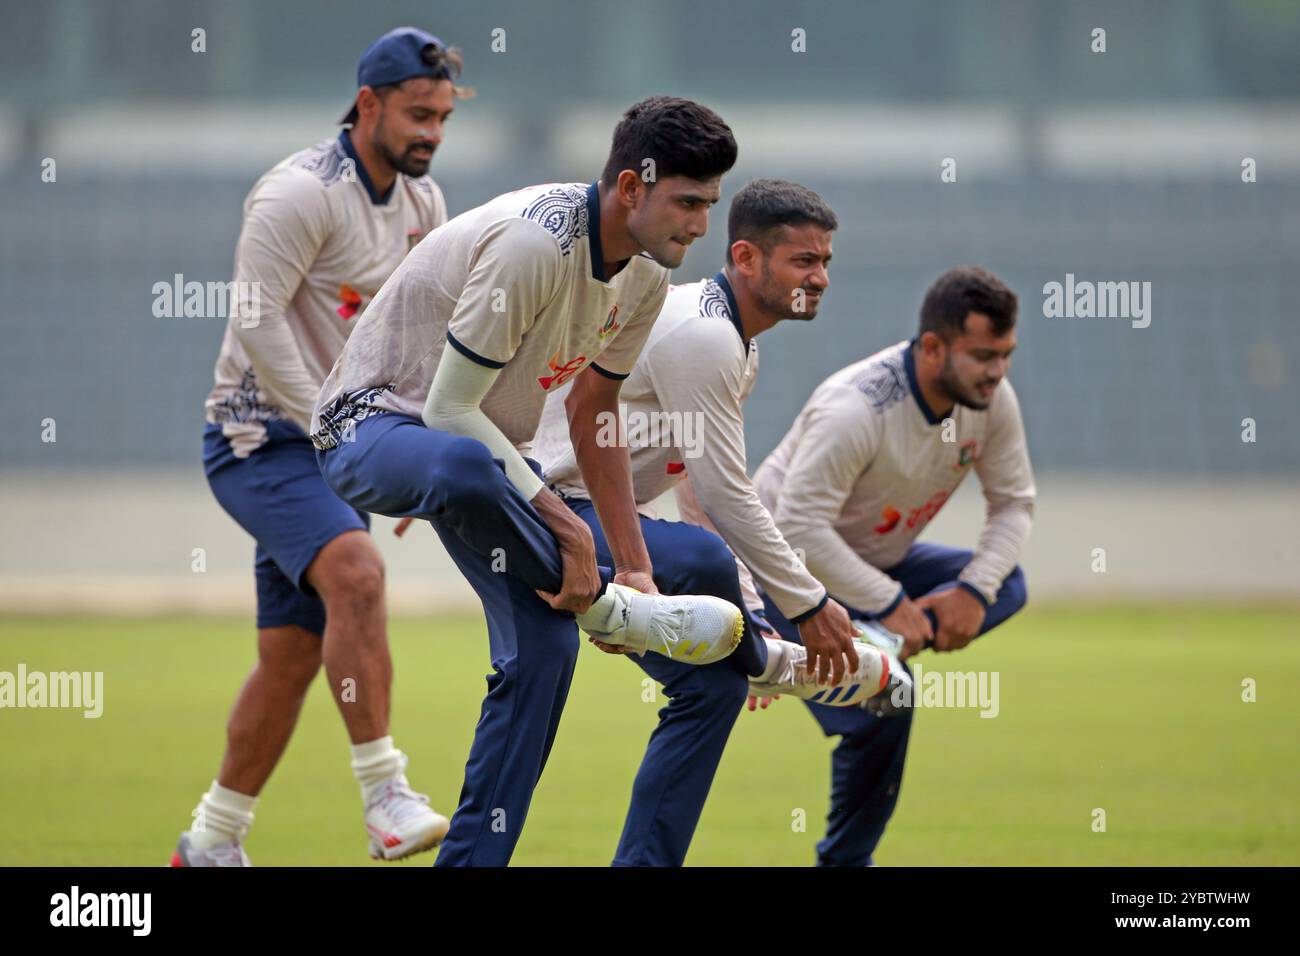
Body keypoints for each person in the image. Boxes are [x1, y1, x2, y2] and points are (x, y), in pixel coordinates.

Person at [311, 96, 745, 866]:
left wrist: (636, 564)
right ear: (632, 187)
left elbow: (595, 411)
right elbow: (446, 410)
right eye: (687, 202)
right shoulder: (536, 245)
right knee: (466, 464)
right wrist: (567, 525)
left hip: (487, 467)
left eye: (710, 205)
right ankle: (607, 610)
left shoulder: (643, 275)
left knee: (681, 589)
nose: (700, 225)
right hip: (377, 428)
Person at [533, 179, 906, 865]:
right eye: (803, 261)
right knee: (704, 569)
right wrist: (810, 604)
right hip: (546, 514)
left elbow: (700, 495)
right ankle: (769, 661)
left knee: (713, 687)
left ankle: (753, 665)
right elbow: (728, 494)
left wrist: (755, 614)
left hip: (590, 517)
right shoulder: (706, 337)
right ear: (746, 257)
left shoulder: (737, 345)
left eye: (826, 262)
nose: (820, 278)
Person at [175, 27, 468, 867]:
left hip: (338, 440)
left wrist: (417, 450)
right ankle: (385, 796)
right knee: (358, 575)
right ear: (367, 104)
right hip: (257, 436)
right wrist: (340, 431)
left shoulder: (425, 207)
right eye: (418, 114)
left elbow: (419, 339)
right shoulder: (297, 193)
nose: (431, 134)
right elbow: (257, 322)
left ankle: (211, 842)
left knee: (295, 657)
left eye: (442, 118)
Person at [753, 265, 1034, 866]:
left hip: (868, 568)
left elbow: (1014, 504)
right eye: (984, 355)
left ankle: (876, 650)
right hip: (779, 576)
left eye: (1006, 354)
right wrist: (893, 606)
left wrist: (972, 595)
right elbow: (796, 532)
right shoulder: (857, 408)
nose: (998, 372)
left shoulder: (990, 400)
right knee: (887, 705)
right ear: (933, 346)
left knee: (1004, 582)